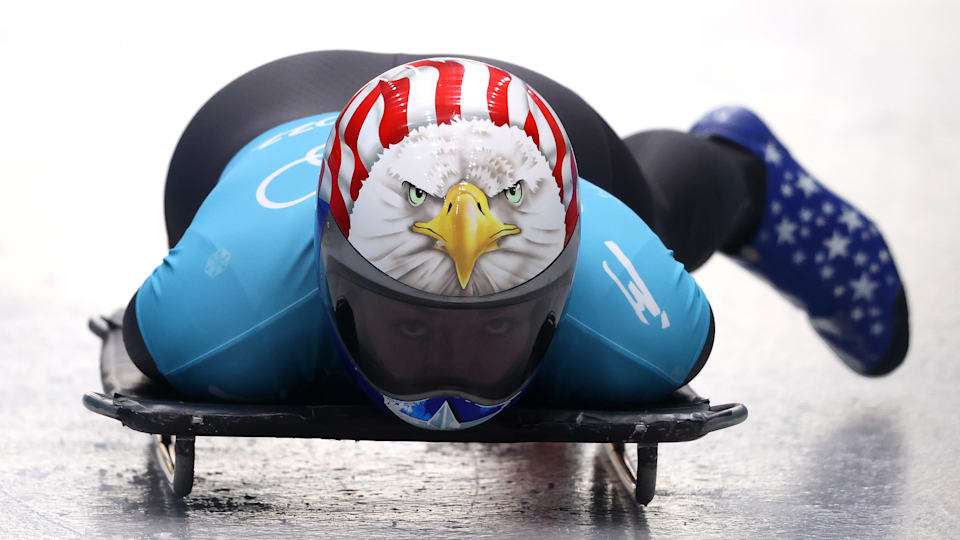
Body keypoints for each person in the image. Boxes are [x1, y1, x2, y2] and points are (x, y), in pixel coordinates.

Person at [120, 51, 908, 430]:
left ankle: (744, 175)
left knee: (656, 209)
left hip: (522, 137)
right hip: (263, 122)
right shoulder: (217, 309)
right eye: (412, 327)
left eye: (496, 326)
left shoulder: (641, 321)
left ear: (563, 292)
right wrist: (501, 331)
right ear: (329, 276)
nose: (447, 385)